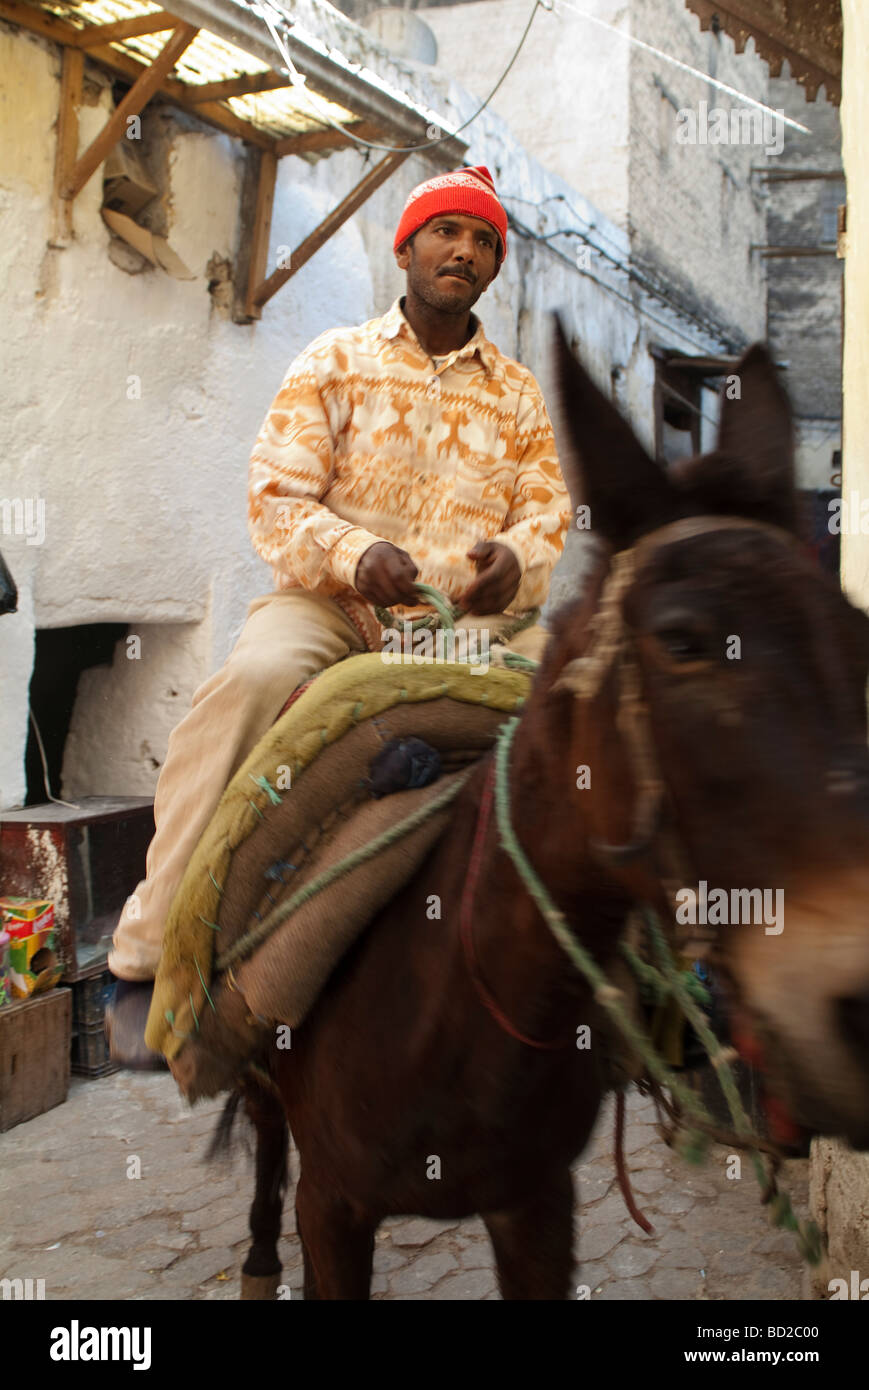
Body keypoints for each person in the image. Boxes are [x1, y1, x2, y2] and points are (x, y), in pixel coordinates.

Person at [106, 164, 571, 1066]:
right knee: (249, 683)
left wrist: (516, 562)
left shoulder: (517, 395)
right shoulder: (333, 358)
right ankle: (145, 954)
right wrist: (358, 556)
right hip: (331, 606)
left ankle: (620, 959)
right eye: (446, 232)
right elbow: (275, 499)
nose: (463, 251)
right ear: (405, 247)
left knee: (572, 696)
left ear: (492, 267)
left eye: (482, 242)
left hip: (463, 625)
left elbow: (547, 513)